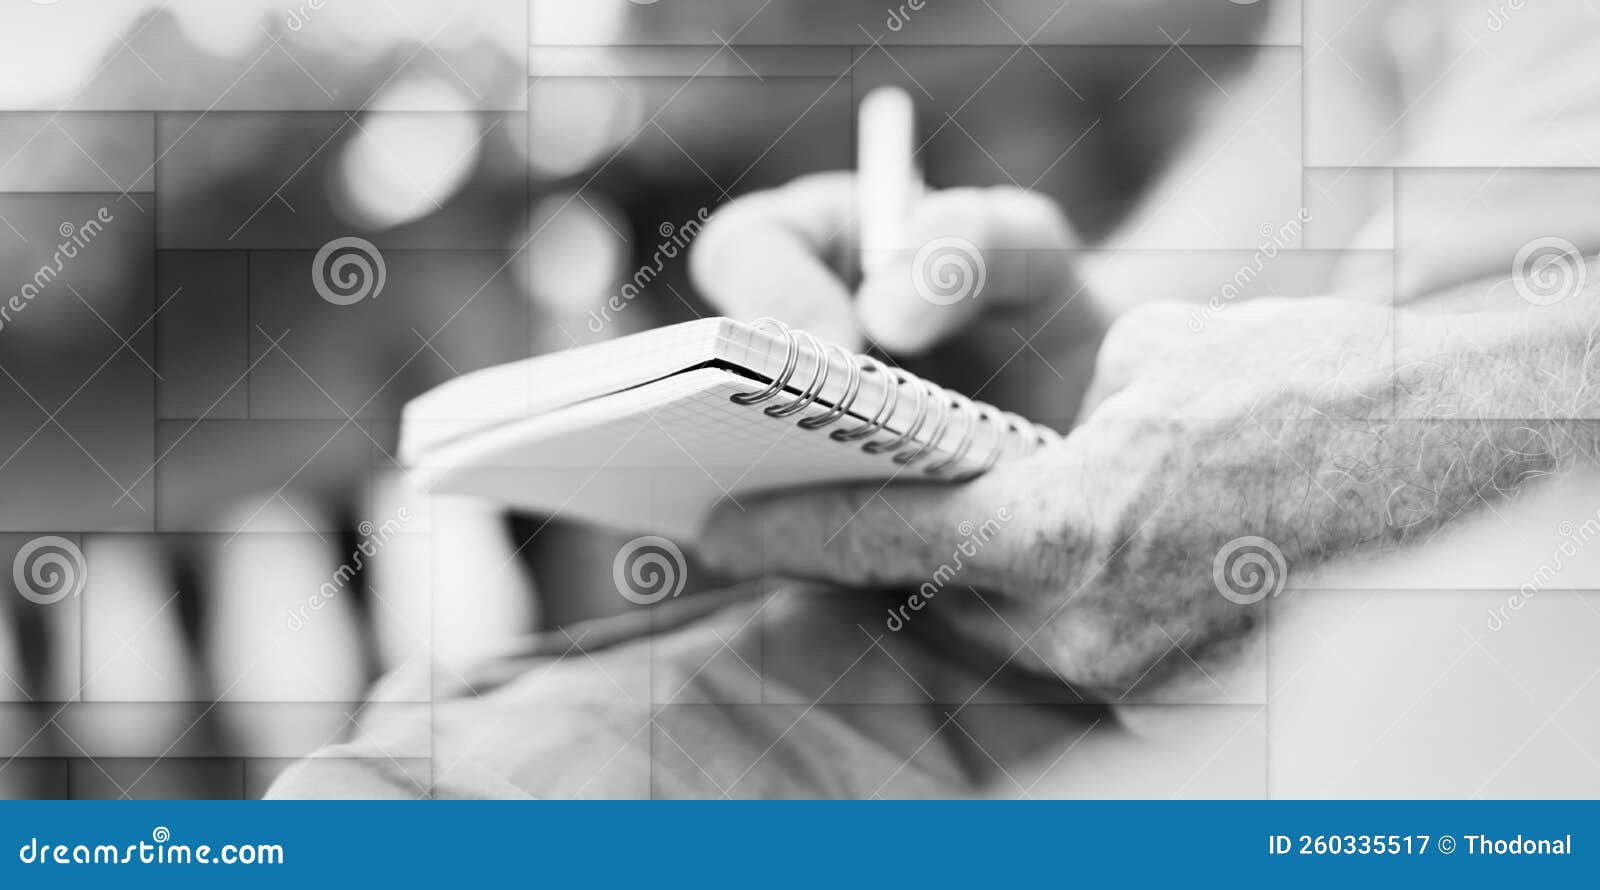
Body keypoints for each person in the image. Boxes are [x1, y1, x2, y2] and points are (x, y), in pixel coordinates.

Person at [268, 0, 1600, 797]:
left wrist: (1488, 408)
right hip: (1182, 645)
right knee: (418, 799)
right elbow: (1340, 102)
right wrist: (1064, 344)